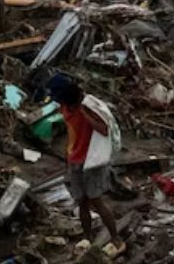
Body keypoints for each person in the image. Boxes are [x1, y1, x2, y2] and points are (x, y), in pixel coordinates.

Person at [49, 73, 120, 247]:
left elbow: (104, 129)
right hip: (74, 158)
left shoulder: (87, 106)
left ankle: (116, 238)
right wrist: (68, 157)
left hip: (91, 160)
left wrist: (84, 113)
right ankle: (88, 238)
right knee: (81, 202)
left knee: (96, 200)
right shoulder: (65, 107)